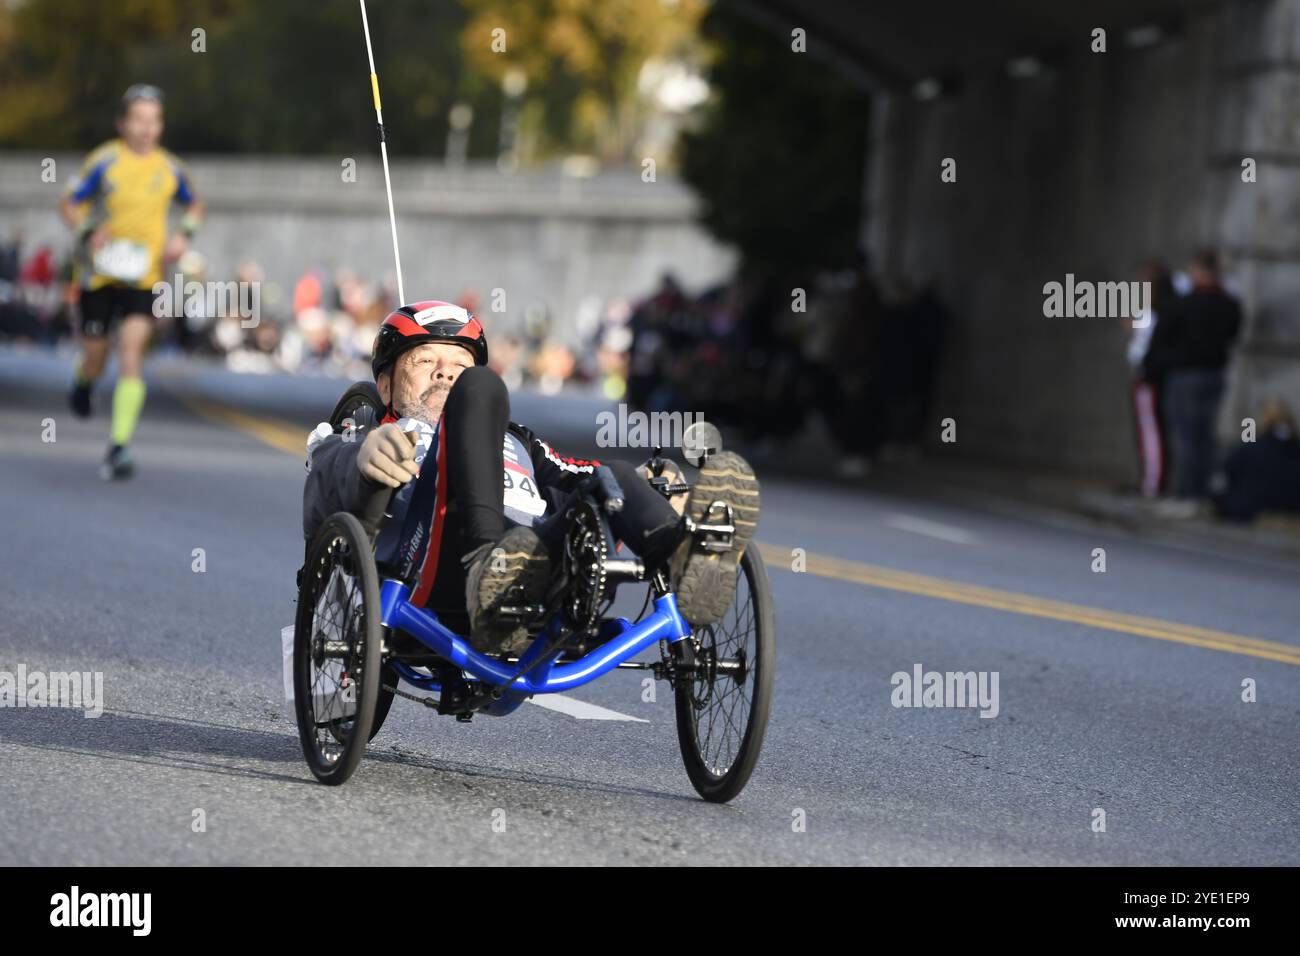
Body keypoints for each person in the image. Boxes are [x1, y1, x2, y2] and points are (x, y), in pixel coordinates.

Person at [302, 300, 761, 654]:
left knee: (613, 475)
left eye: (459, 365)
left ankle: (682, 555)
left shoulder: (516, 440)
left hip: (539, 568)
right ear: (385, 385)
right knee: (483, 391)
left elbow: (578, 476)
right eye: (424, 361)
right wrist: (362, 458)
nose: (445, 372)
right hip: (437, 570)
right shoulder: (377, 432)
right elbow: (325, 475)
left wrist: (646, 486)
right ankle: (492, 568)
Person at [59, 84, 204, 480]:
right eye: (137, 120)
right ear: (122, 123)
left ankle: (119, 446)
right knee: (96, 355)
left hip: (144, 277)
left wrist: (183, 234)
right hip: (99, 275)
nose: (145, 128)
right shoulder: (104, 161)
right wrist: (89, 230)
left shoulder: (169, 168)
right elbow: (69, 203)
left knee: (131, 354)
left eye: (153, 121)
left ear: (160, 126)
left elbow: (195, 204)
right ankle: (82, 379)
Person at [1142, 249, 1241, 505]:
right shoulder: (1229, 305)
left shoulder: (1183, 305)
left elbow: (1161, 339)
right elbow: (1232, 333)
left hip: (1185, 376)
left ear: (1198, 269)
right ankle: (1201, 493)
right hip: (1213, 375)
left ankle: (1186, 493)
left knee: (1185, 436)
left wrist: (1152, 370)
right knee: (1204, 436)